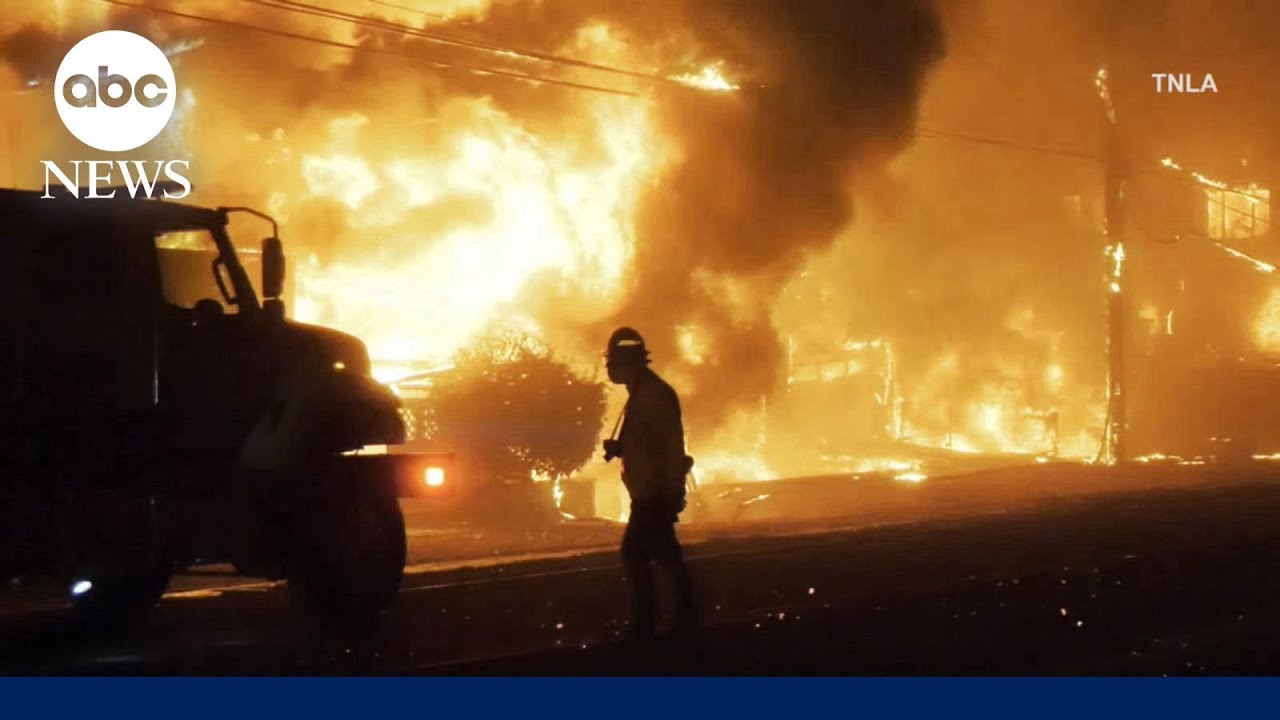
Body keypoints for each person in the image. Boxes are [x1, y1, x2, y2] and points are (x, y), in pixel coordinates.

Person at [602, 327, 699, 640]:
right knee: (666, 557)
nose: (609, 368)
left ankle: (646, 626)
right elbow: (648, 443)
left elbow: (669, 447)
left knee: (634, 555)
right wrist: (622, 449)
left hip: (654, 493)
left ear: (627, 362)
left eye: (613, 361)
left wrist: (671, 492)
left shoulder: (653, 395)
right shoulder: (643, 392)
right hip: (649, 491)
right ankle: (684, 620)